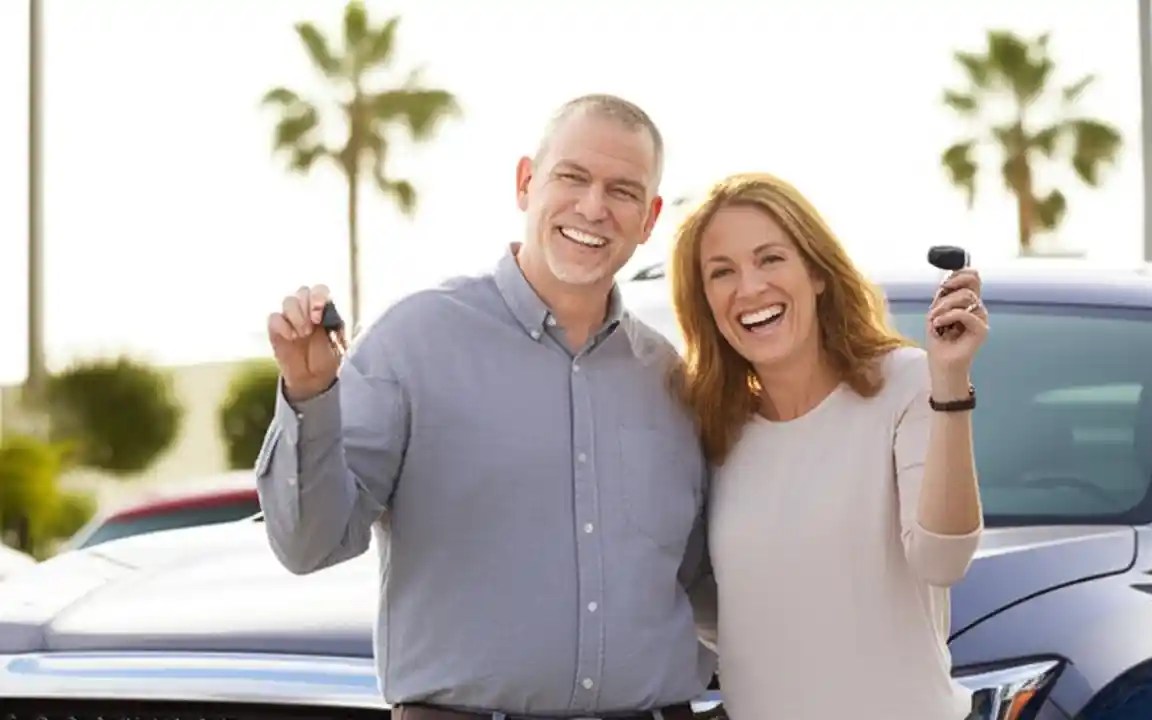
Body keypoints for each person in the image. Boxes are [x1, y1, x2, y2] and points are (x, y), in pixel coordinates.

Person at [255, 94, 717, 720]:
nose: (593, 207)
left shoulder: (672, 380)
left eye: (622, 191)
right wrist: (309, 397)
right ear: (527, 182)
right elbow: (309, 546)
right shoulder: (412, 343)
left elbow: (709, 584)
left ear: (649, 217)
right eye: (572, 177)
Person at [668, 172, 987, 720]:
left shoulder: (908, 383)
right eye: (722, 272)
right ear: (705, 301)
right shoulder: (712, 429)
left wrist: (951, 385)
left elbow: (942, 558)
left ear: (815, 272)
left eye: (770, 259)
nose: (749, 288)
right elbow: (705, 607)